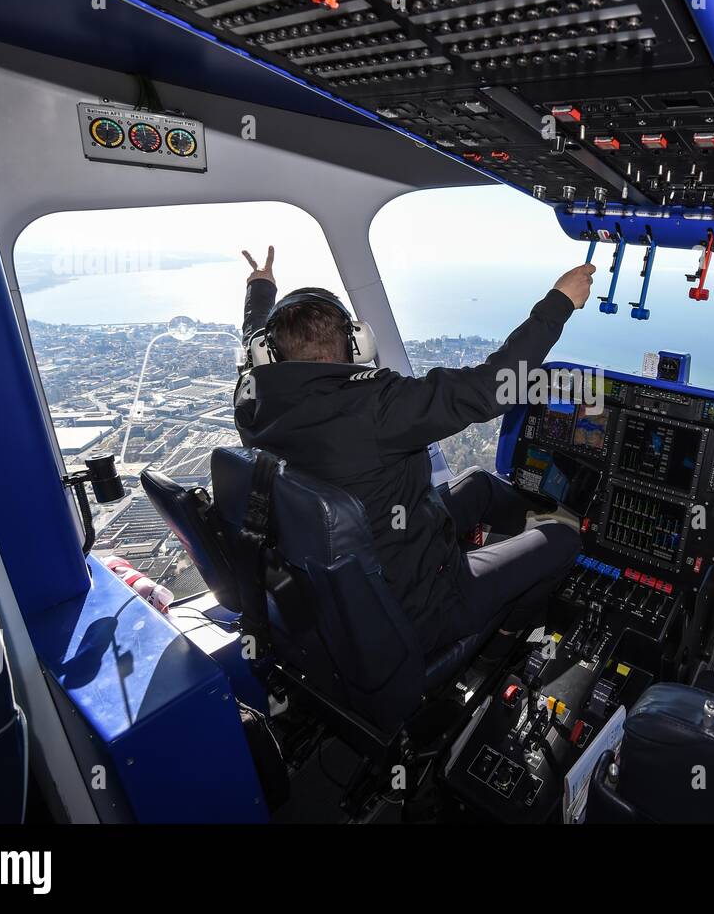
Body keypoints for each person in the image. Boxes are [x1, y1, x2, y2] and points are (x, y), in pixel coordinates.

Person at [233, 246, 594, 661]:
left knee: (478, 484)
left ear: (269, 353)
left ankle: (529, 535)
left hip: (354, 565)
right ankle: (509, 632)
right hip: (420, 609)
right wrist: (560, 301)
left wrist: (260, 290)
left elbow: (252, 344)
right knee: (564, 537)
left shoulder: (253, 401)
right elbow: (492, 387)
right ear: (358, 344)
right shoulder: (379, 408)